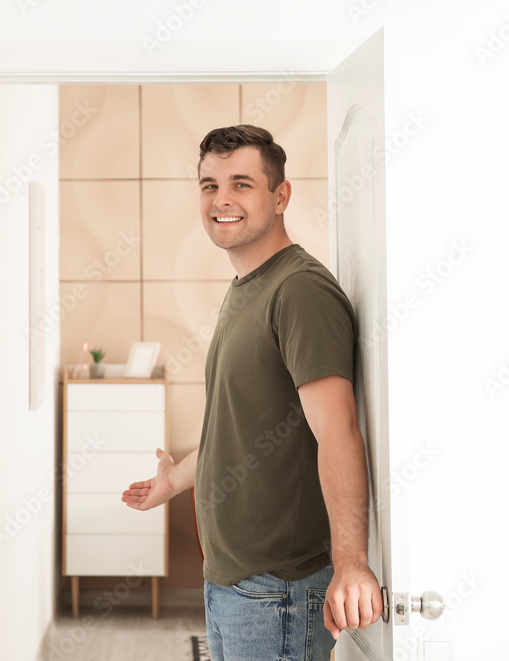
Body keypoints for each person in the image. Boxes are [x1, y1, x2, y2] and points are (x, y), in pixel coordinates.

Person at [121, 124, 382, 660]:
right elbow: (242, 427)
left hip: (278, 588)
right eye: (209, 185)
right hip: (235, 580)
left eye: (242, 183)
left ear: (280, 195)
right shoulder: (249, 287)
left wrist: (352, 561)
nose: (221, 200)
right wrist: (176, 480)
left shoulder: (299, 291)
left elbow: (338, 431)